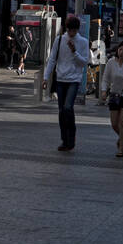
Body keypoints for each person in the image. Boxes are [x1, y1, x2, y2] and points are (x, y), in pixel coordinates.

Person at [43, 14, 89, 152]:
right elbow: (52, 59)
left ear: (77, 30)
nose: (71, 33)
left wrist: (74, 51)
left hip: (74, 79)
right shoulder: (59, 40)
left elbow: (84, 62)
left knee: (68, 107)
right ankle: (65, 140)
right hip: (61, 79)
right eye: (69, 30)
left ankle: (71, 136)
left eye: (73, 31)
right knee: (62, 110)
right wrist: (46, 77)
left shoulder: (83, 42)